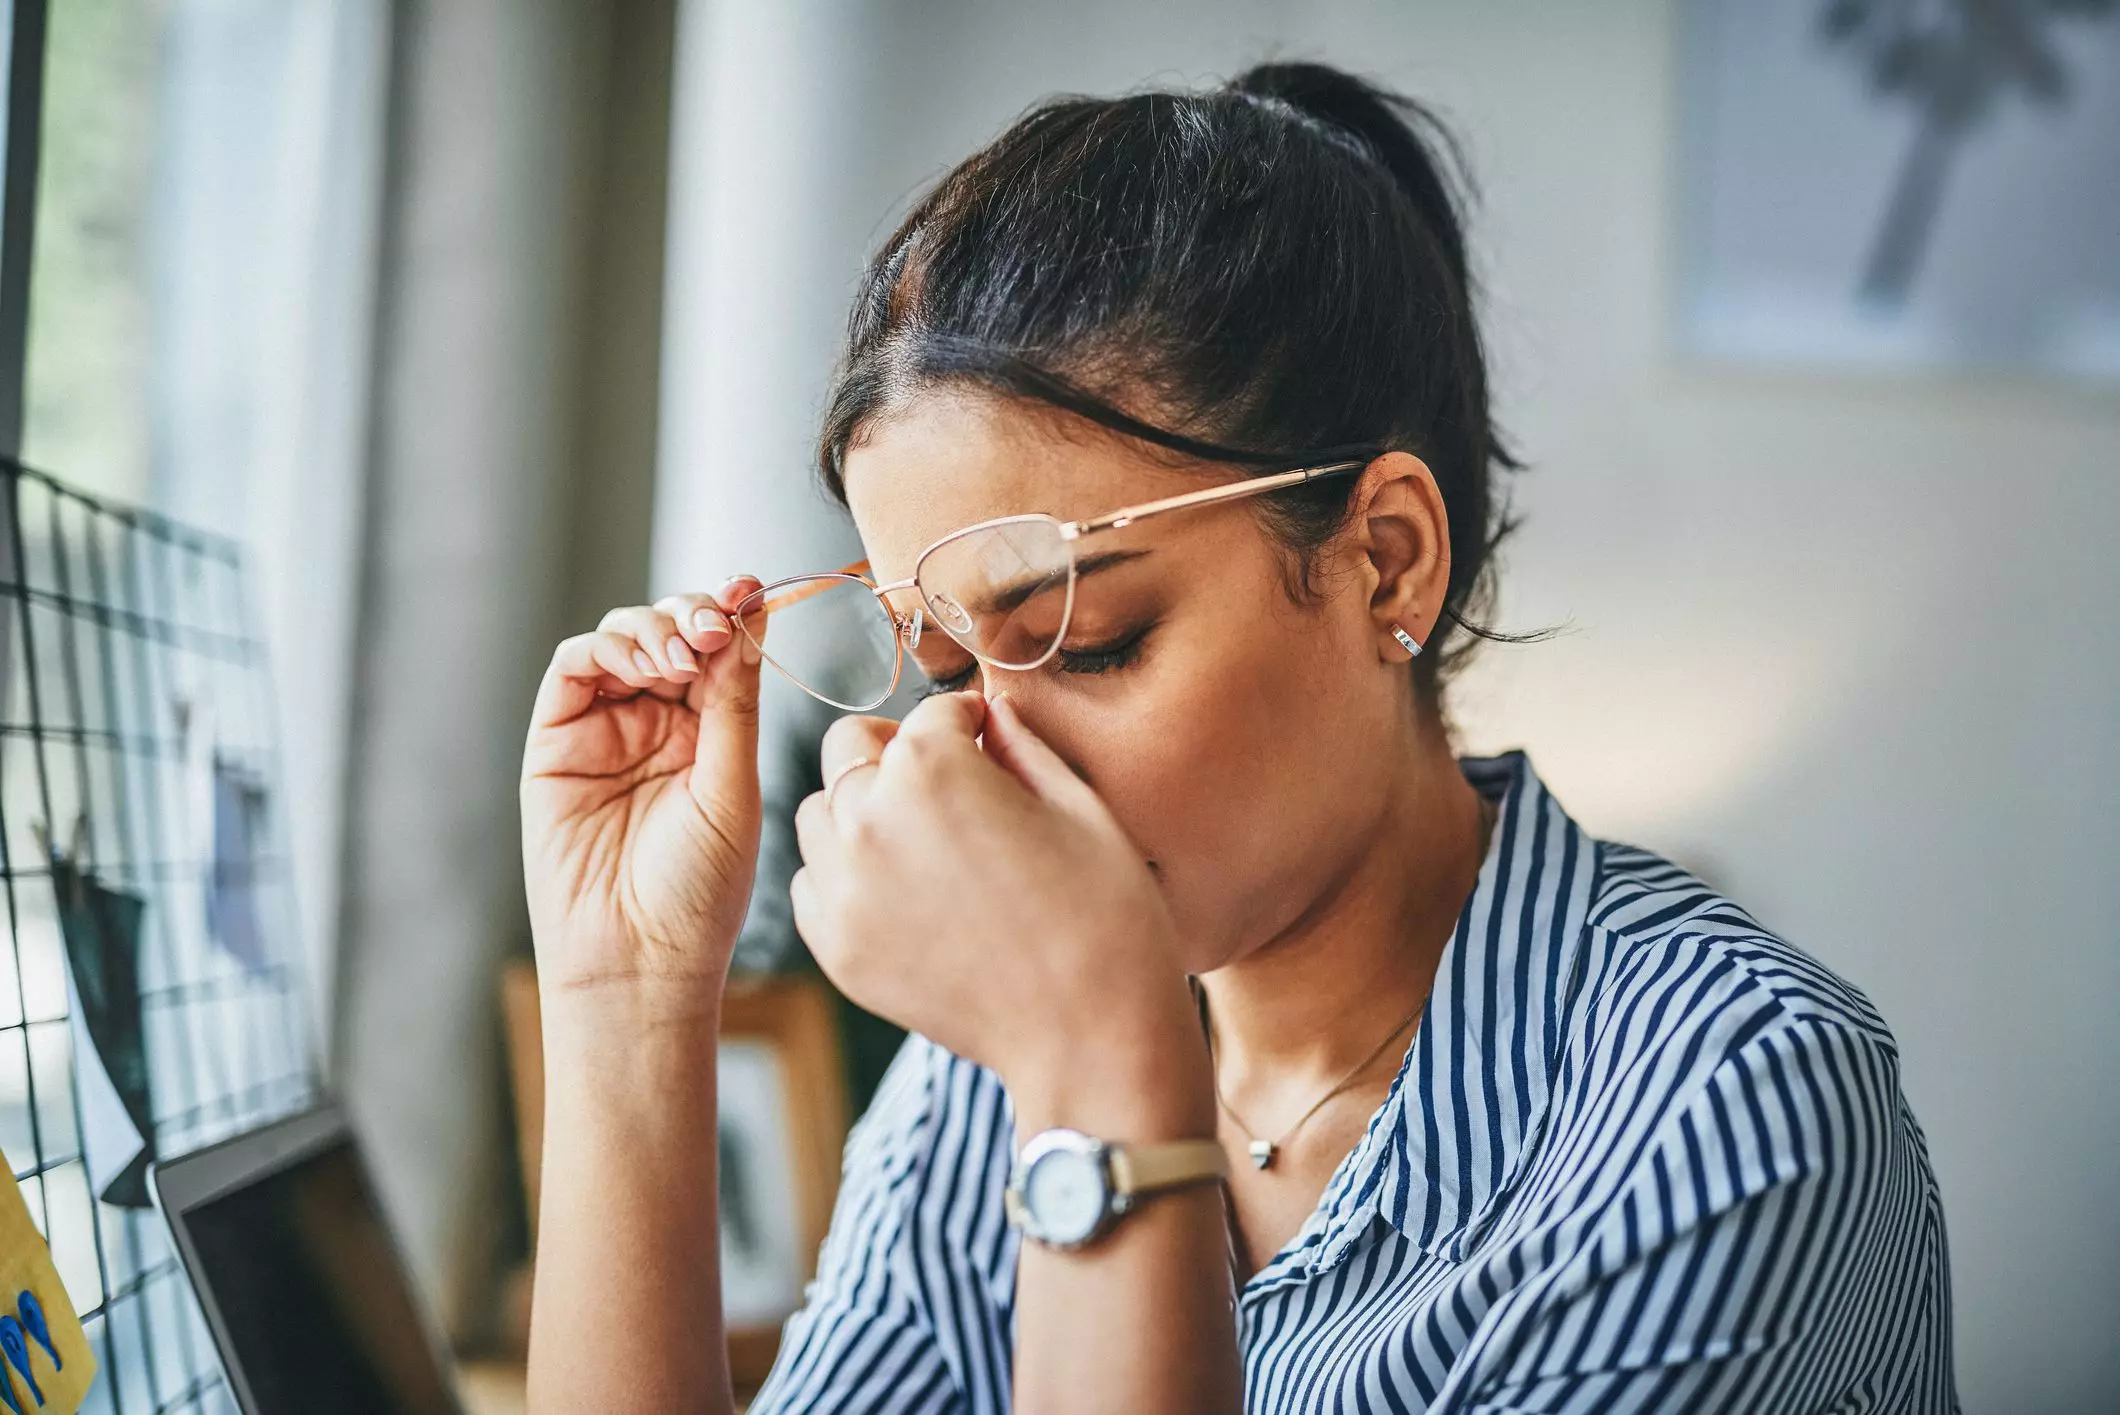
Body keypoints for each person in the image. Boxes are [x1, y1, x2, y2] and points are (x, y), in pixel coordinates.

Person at [518, 62, 1957, 1414]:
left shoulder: (1731, 1108)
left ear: (1384, 560)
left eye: (1085, 638)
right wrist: (631, 1000)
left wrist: (1102, 1074)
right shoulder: (991, 1070)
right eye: (943, 664)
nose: (983, 756)